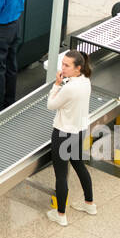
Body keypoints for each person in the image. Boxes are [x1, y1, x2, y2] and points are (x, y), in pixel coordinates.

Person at [46, 50, 97, 226]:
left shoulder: (68, 88)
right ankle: (89, 204)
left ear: (78, 68)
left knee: (61, 175)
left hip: (62, 134)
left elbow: (51, 105)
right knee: (79, 165)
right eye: (63, 64)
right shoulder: (86, 82)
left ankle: (60, 215)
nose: (63, 68)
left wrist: (56, 84)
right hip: (79, 131)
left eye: (67, 65)